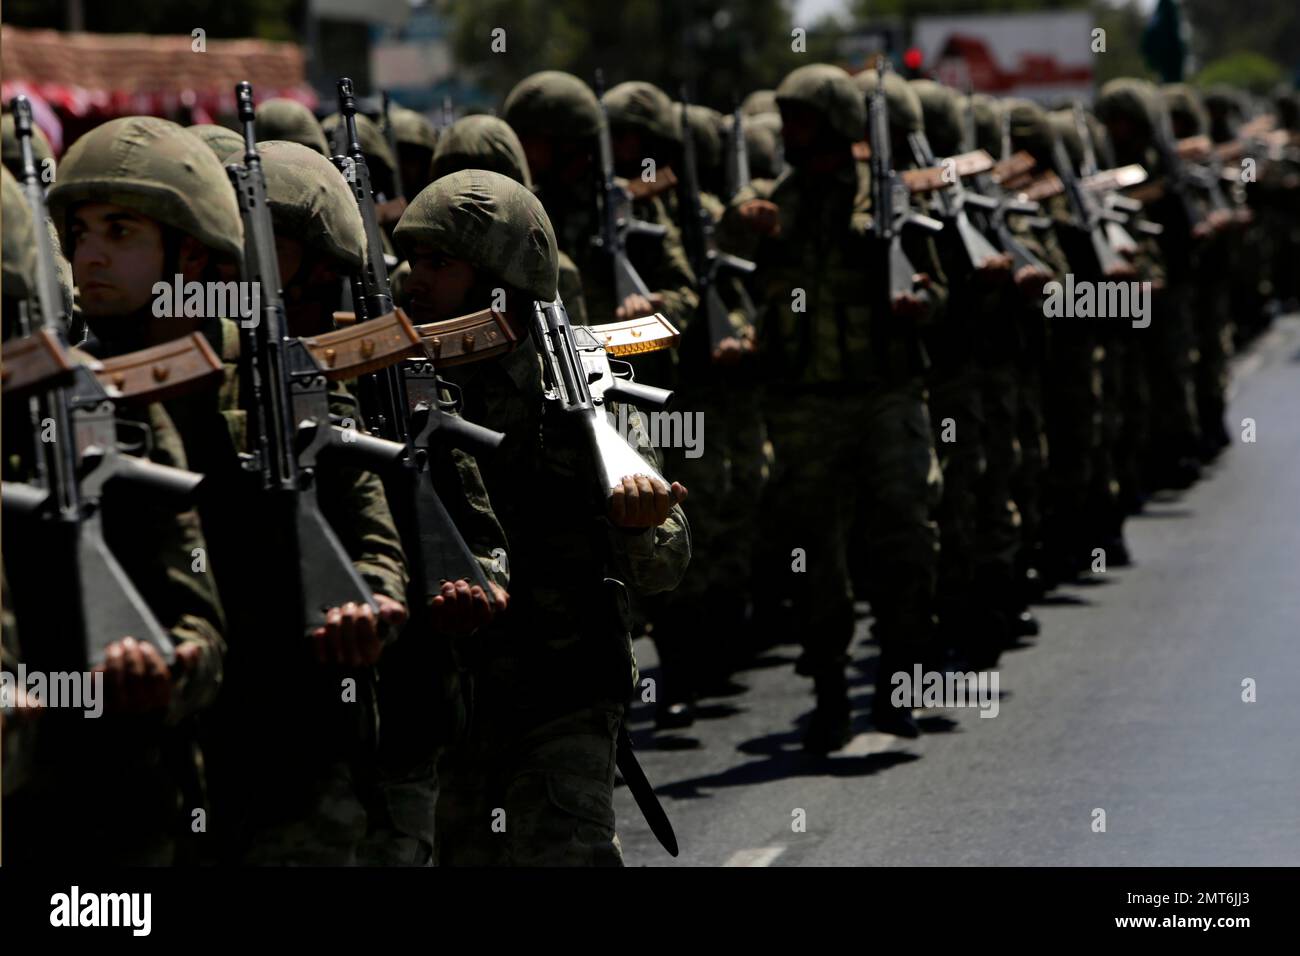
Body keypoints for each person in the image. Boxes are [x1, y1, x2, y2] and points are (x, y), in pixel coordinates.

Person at [394, 169, 691, 864]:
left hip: (565, 687)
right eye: (412, 262)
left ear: (500, 280)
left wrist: (641, 521)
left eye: (440, 264)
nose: (415, 281)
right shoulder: (394, 379)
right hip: (446, 699)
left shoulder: (575, 381)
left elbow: (668, 562)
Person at [721, 64, 944, 749]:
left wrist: (918, 299)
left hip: (885, 393)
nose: (790, 132)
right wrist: (735, 229)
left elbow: (939, 288)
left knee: (904, 531)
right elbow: (719, 279)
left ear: (839, 124)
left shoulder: (887, 202)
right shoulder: (770, 203)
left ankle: (897, 681)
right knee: (813, 553)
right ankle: (828, 693)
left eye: (803, 119)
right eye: (785, 119)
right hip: (802, 403)